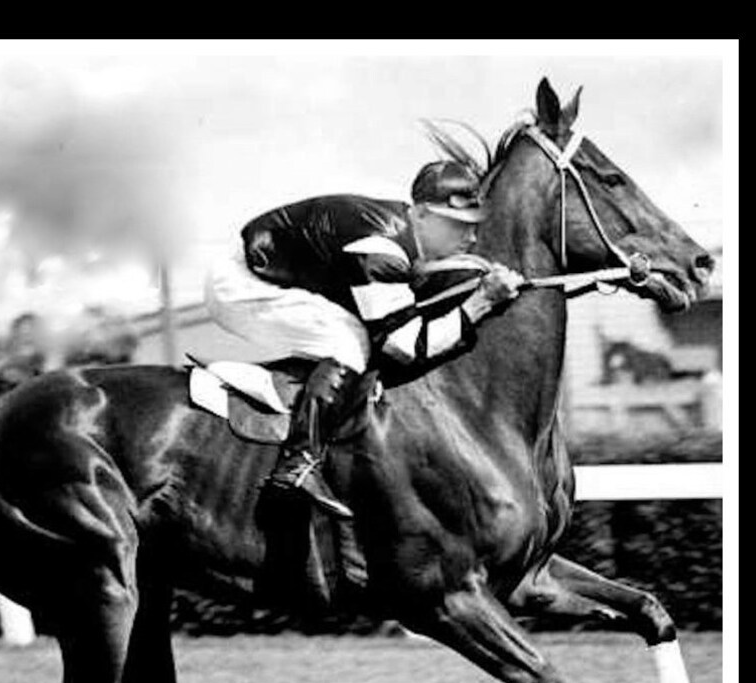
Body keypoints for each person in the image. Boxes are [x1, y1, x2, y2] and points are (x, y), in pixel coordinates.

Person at [205, 161, 526, 518]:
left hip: (276, 271)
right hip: (241, 283)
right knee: (350, 343)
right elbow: (406, 347)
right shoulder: (381, 250)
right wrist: (482, 302)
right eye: (456, 225)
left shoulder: (403, 235)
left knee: (351, 336)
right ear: (420, 215)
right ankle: (297, 463)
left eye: (473, 225)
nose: (470, 238)